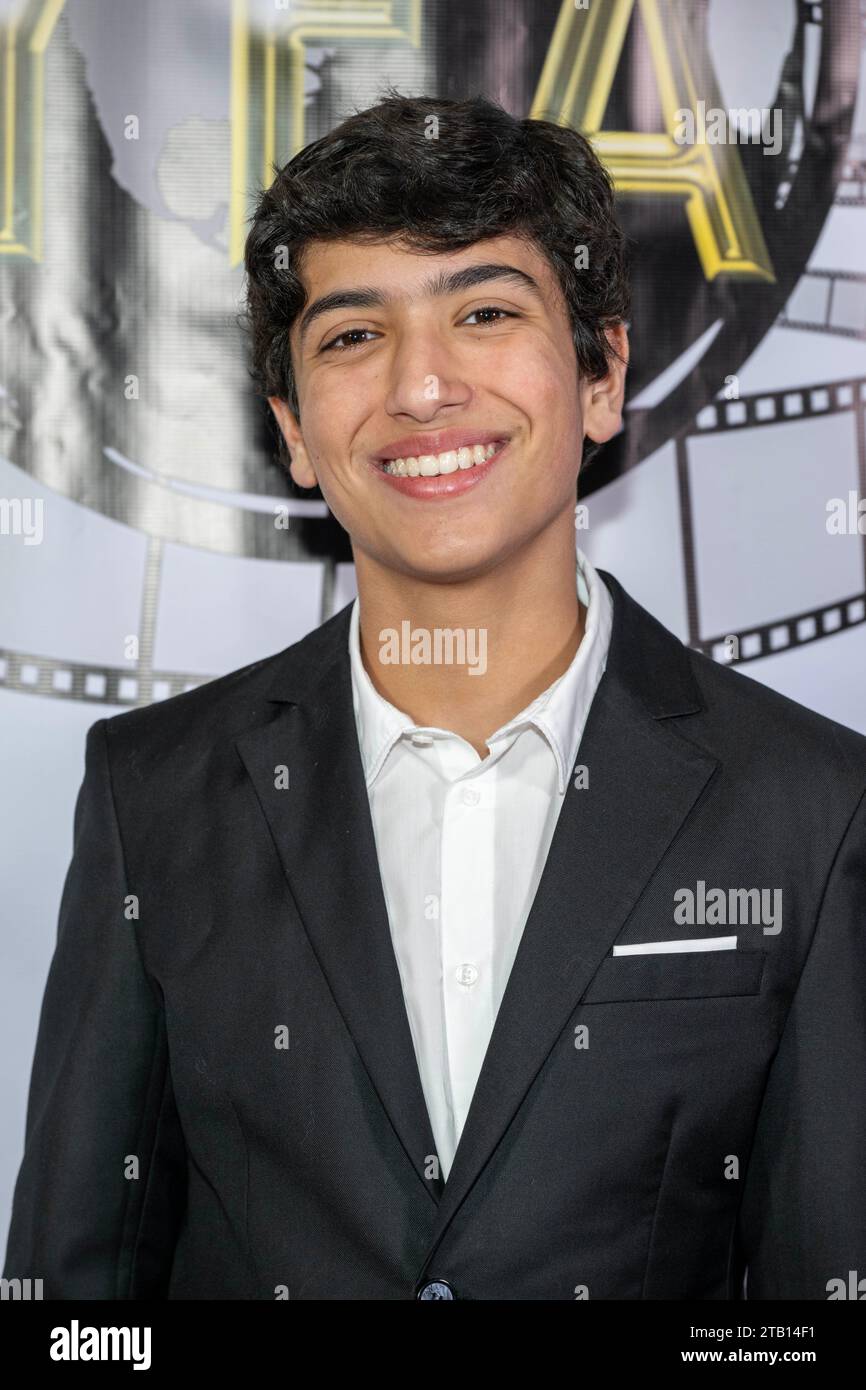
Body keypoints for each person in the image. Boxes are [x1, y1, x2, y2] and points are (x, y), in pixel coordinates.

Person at [4, 91, 866, 1301]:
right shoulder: (154, 790)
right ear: (294, 429)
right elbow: (76, 1302)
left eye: (484, 312)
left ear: (604, 373)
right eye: (353, 336)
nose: (421, 387)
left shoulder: (808, 805)